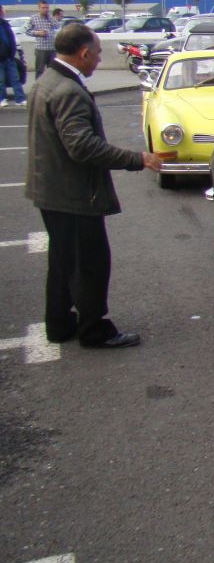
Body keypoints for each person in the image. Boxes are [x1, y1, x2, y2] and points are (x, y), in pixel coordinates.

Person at [25, 24, 162, 347]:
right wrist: (137, 159)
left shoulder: (47, 80)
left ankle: (59, 324)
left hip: (51, 190)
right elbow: (82, 147)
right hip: (73, 194)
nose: (99, 60)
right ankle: (94, 329)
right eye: (98, 53)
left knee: (62, 262)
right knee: (90, 264)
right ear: (84, 53)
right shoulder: (68, 91)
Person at [0, 4, 27, 107]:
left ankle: (20, 99)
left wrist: (12, 52)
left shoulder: (5, 24)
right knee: (1, 81)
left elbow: (11, 38)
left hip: (9, 57)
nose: (3, 12)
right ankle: (2, 99)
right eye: (2, 10)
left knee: (15, 79)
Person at [27, 0, 60, 78]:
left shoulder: (50, 18)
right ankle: (38, 88)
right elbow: (27, 31)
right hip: (41, 49)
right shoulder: (33, 18)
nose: (45, 9)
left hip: (51, 48)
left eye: (47, 8)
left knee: (52, 71)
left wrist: (50, 18)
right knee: (40, 70)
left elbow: (57, 26)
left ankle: (51, 88)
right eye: (43, 8)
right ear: (39, 8)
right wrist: (37, 33)